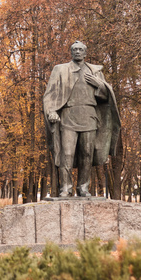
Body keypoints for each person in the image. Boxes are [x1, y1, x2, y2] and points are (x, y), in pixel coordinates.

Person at [43, 41, 121, 197]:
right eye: (74, 49)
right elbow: (49, 94)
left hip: (89, 116)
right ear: (71, 52)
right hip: (68, 115)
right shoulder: (60, 70)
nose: (77, 52)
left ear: (85, 53)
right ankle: (65, 188)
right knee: (67, 153)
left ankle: (83, 187)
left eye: (80, 50)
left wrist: (100, 85)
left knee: (87, 153)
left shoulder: (95, 71)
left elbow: (106, 98)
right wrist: (51, 111)